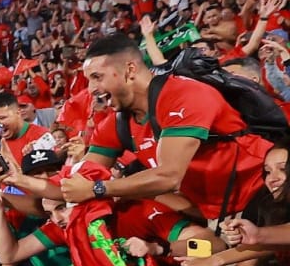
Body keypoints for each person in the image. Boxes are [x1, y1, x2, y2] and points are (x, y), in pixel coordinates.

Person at [60, 32, 272, 221]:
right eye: (89, 80)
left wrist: (98, 188)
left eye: (97, 77)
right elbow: (79, 179)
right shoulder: (118, 123)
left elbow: (169, 176)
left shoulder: (184, 95)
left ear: (130, 70)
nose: (91, 89)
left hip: (264, 197)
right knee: (183, 247)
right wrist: (40, 182)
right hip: (216, 216)